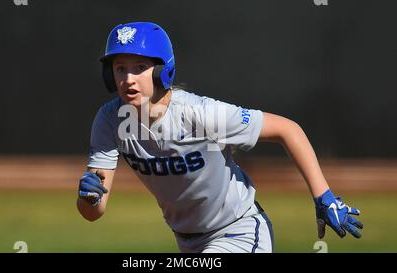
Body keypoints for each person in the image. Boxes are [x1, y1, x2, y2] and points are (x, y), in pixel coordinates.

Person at [76, 22, 363, 253]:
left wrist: (323, 197)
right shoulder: (109, 120)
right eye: (119, 68)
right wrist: (89, 199)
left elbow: (288, 129)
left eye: (140, 68)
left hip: (239, 231)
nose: (128, 79)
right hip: (187, 241)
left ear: (163, 70)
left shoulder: (199, 113)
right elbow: (93, 212)